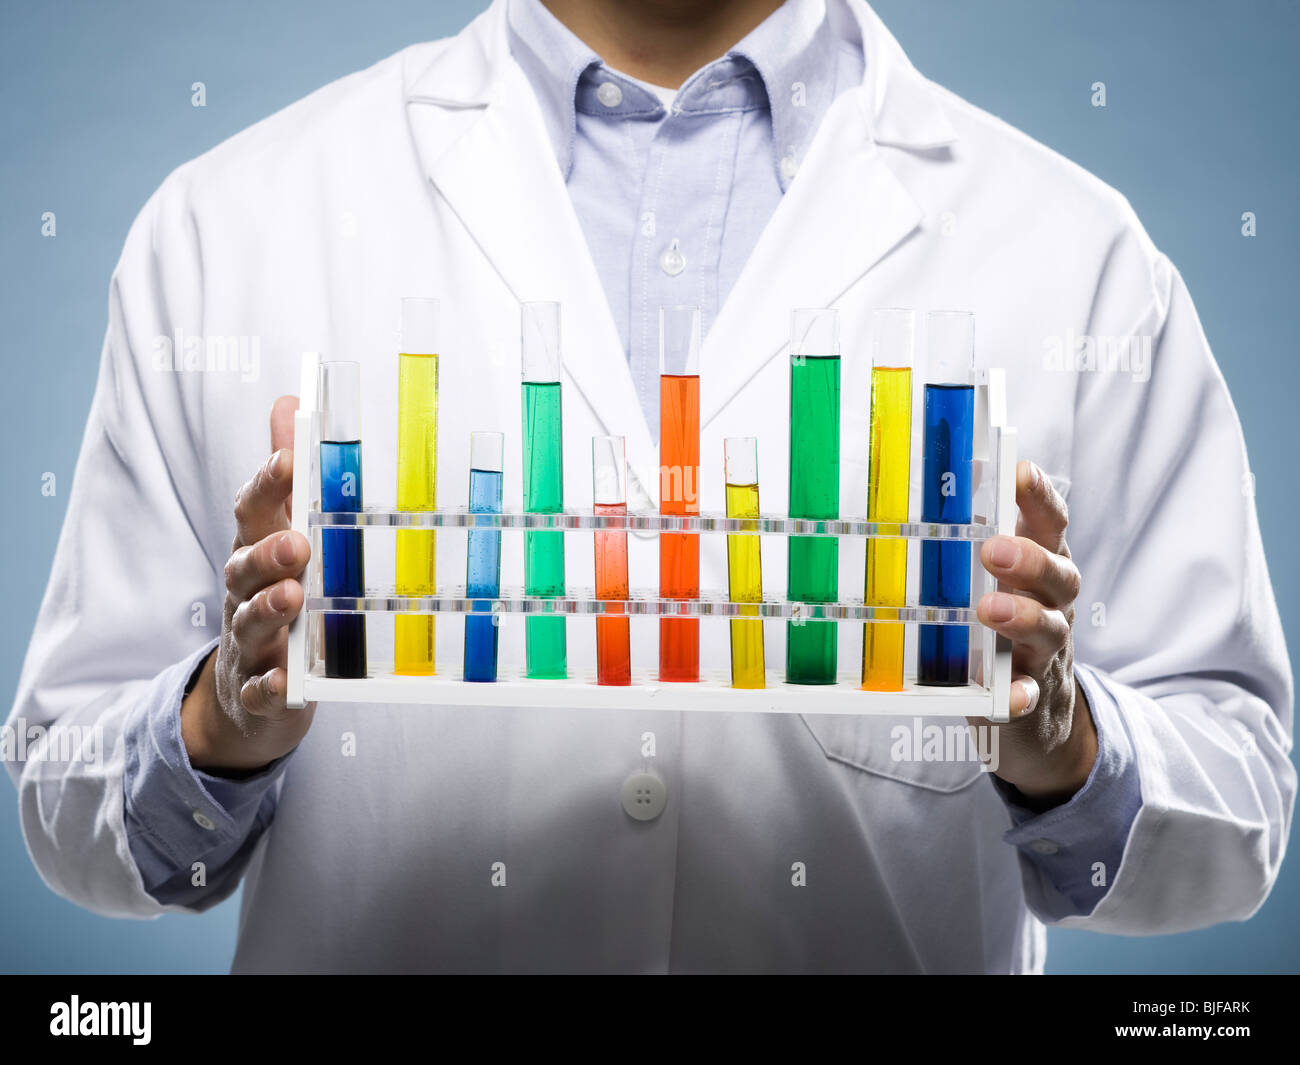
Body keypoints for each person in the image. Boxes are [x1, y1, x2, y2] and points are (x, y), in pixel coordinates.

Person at [5, 0, 1293, 973]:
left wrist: (1066, 746)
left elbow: (1239, 800)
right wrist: (216, 729)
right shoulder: (230, 224)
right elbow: (62, 785)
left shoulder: (1076, 257)